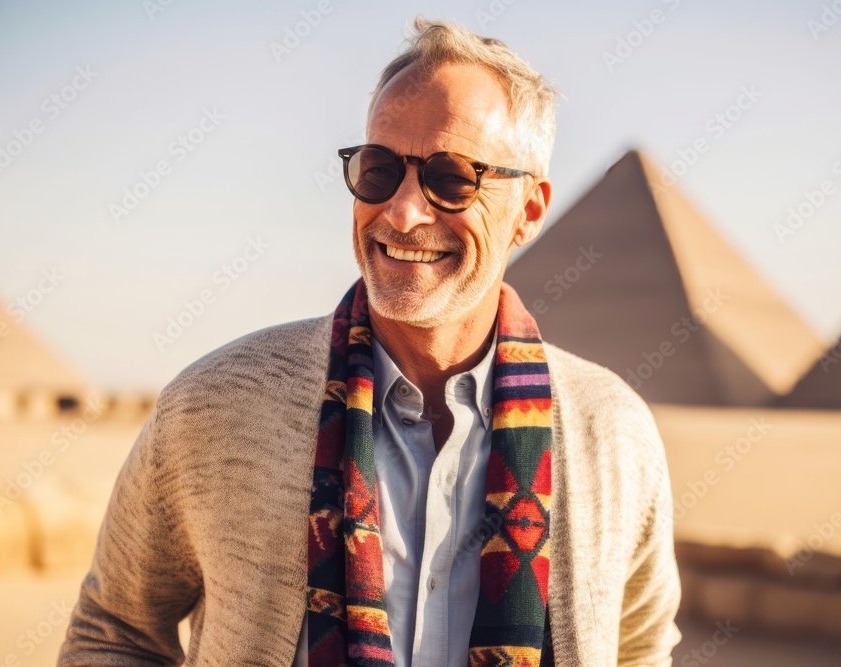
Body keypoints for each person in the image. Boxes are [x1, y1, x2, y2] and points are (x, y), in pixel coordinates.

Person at [58, 16, 681, 667]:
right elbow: (115, 629)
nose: (403, 213)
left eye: (452, 178)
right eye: (379, 170)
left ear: (528, 211)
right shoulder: (215, 409)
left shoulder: (614, 433)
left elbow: (639, 647)